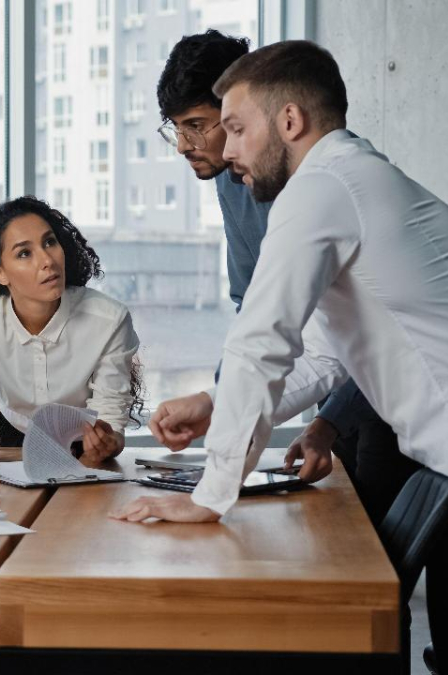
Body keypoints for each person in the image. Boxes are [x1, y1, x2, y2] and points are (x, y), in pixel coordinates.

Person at [115, 40, 448, 674]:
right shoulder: (346, 182)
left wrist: (212, 495)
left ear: (289, 122)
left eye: (235, 127)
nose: (227, 147)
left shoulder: (322, 188)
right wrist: (214, 406)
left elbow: (261, 340)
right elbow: (321, 355)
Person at [156, 30, 420, 523]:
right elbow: (262, 318)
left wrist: (327, 423)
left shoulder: (325, 184)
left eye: (211, 126)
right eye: (176, 129)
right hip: (363, 388)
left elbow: (364, 330)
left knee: (371, 567)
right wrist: (216, 405)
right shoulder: (244, 180)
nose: (185, 147)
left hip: (400, 406)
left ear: (279, 116)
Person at [0, 196, 143, 467]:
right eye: (25, 253)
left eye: (49, 242)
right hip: (11, 436)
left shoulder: (109, 319)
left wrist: (106, 444)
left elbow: (112, 422)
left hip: (85, 435)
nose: (47, 260)